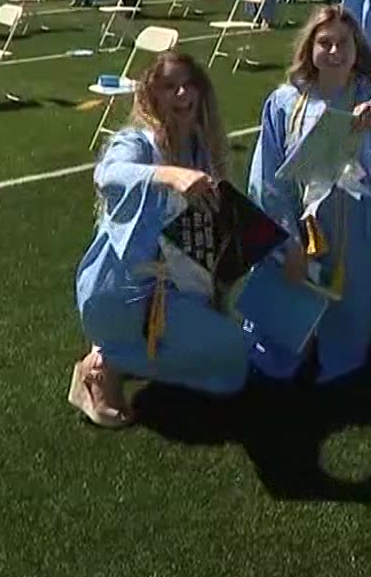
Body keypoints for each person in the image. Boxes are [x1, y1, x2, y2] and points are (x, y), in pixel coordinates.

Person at [71, 52, 255, 428]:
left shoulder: (202, 148)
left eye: (189, 84)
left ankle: (126, 355)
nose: (182, 93)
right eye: (169, 86)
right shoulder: (136, 141)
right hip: (121, 289)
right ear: (151, 95)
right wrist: (169, 175)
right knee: (234, 351)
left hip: (176, 287)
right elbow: (109, 173)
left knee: (233, 371)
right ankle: (103, 363)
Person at [246, 6, 371, 383]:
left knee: (350, 312)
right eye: (324, 43)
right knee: (288, 328)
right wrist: (287, 241)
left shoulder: (368, 96)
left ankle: (341, 350)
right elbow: (268, 178)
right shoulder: (285, 102)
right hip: (303, 225)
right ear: (309, 49)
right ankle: (293, 344)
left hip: (357, 231)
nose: (334, 52)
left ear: (356, 47)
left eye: (342, 43)